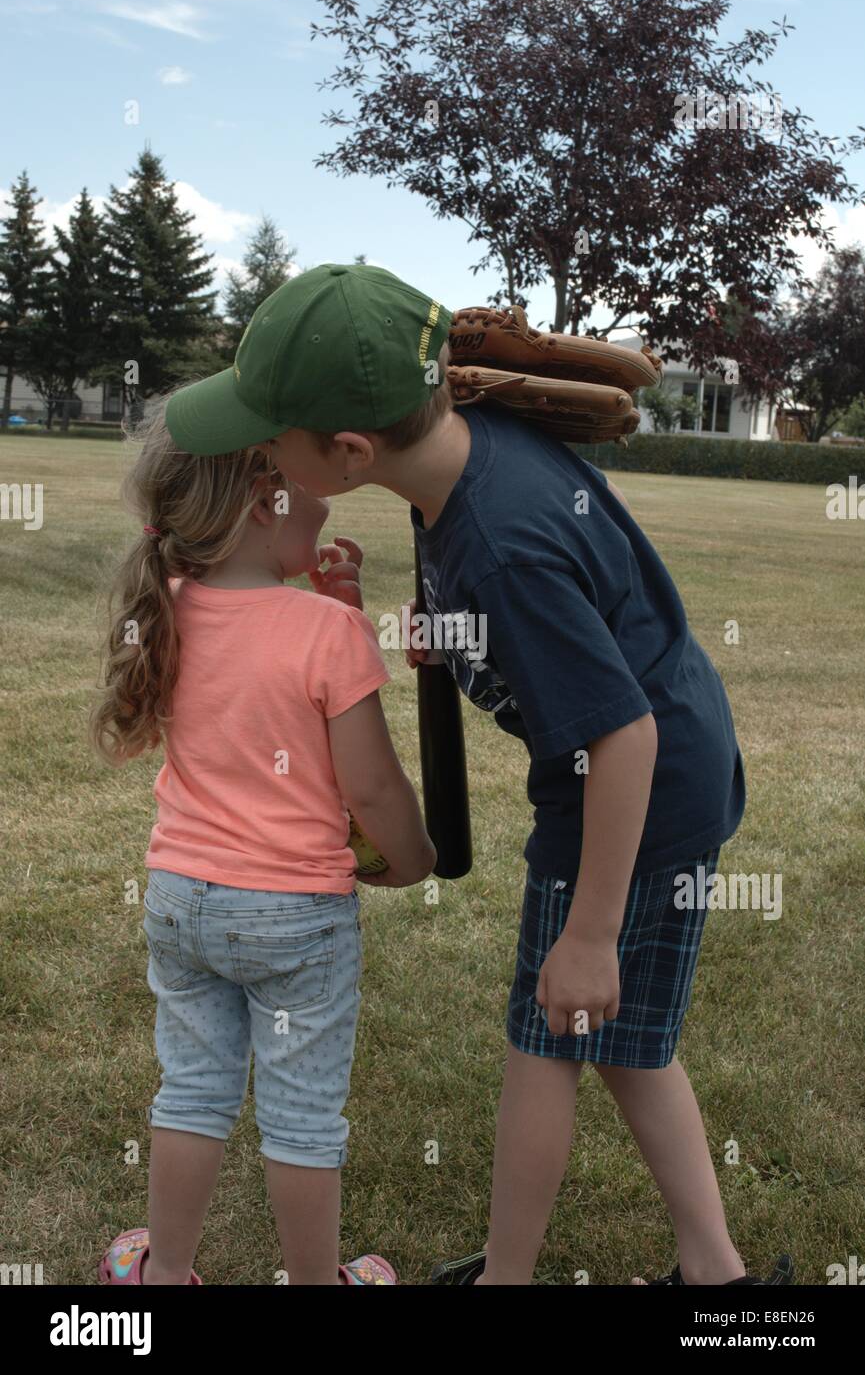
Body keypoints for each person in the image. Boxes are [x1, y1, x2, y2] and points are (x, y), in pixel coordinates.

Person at [162, 262, 790, 1287]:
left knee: (551, 1030)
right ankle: (716, 1275)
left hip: (629, 794)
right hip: (664, 768)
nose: (260, 451)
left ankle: (507, 1279)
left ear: (346, 452)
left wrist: (587, 935)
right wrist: (446, 637)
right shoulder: (455, 460)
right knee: (624, 1043)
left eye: (271, 434)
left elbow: (621, 734)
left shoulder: (503, 543)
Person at [91, 399, 435, 1285]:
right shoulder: (325, 635)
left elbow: (250, 669)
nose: (326, 501)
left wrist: (340, 607)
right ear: (262, 501)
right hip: (295, 921)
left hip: (181, 902)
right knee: (302, 1115)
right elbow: (369, 786)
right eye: (309, 485)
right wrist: (415, 858)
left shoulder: (167, 606)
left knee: (194, 1093)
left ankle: (162, 1276)